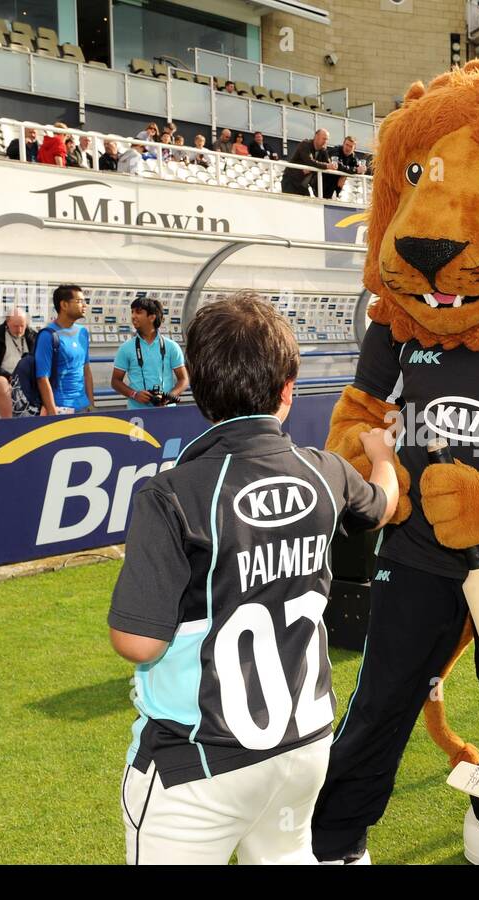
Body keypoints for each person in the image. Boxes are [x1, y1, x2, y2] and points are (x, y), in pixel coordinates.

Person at [109, 291, 398, 864]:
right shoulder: (326, 471)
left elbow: (137, 641)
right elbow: (383, 505)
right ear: (288, 389)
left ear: (197, 386)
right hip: (303, 751)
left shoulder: (171, 495)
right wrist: (384, 456)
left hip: (201, 762)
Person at [111, 297, 188, 410]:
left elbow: (183, 379)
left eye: (138, 312)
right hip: (137, 412)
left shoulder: (172, 347)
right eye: (132, 312)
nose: (133, 316)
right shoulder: (125, 348)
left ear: (152, 317)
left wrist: (170, 396)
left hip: (167, 410)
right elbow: (115, 381)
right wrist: (135, 395)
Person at [35, 285, 92, 416]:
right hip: (61, 408)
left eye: (84, 301)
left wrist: (91, 403)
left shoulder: (82, 332)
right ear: (64, 305)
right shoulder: (47, 335)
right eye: (79, 301)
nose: (84, 305)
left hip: (84, 407)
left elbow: (86, 370)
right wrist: (52, 412)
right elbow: (42, 378)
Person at [0, 308, 38, 419]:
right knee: (1, 383)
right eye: (16, 326)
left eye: (22, 325)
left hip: (28, 376)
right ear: (7, 322)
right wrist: (8, 376)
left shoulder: (32, 335)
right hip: (3, 376)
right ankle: (9, 421)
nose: (20, 329)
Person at [281, 129, 331, 196]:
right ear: (316, 137)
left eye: (327, 139)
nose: (325, 142)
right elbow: (310, 162)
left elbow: (329, 164)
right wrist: (327, 166)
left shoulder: (323, 150)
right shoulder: (305, 144)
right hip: (291, 182)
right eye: (324, 139)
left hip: (303, 186)